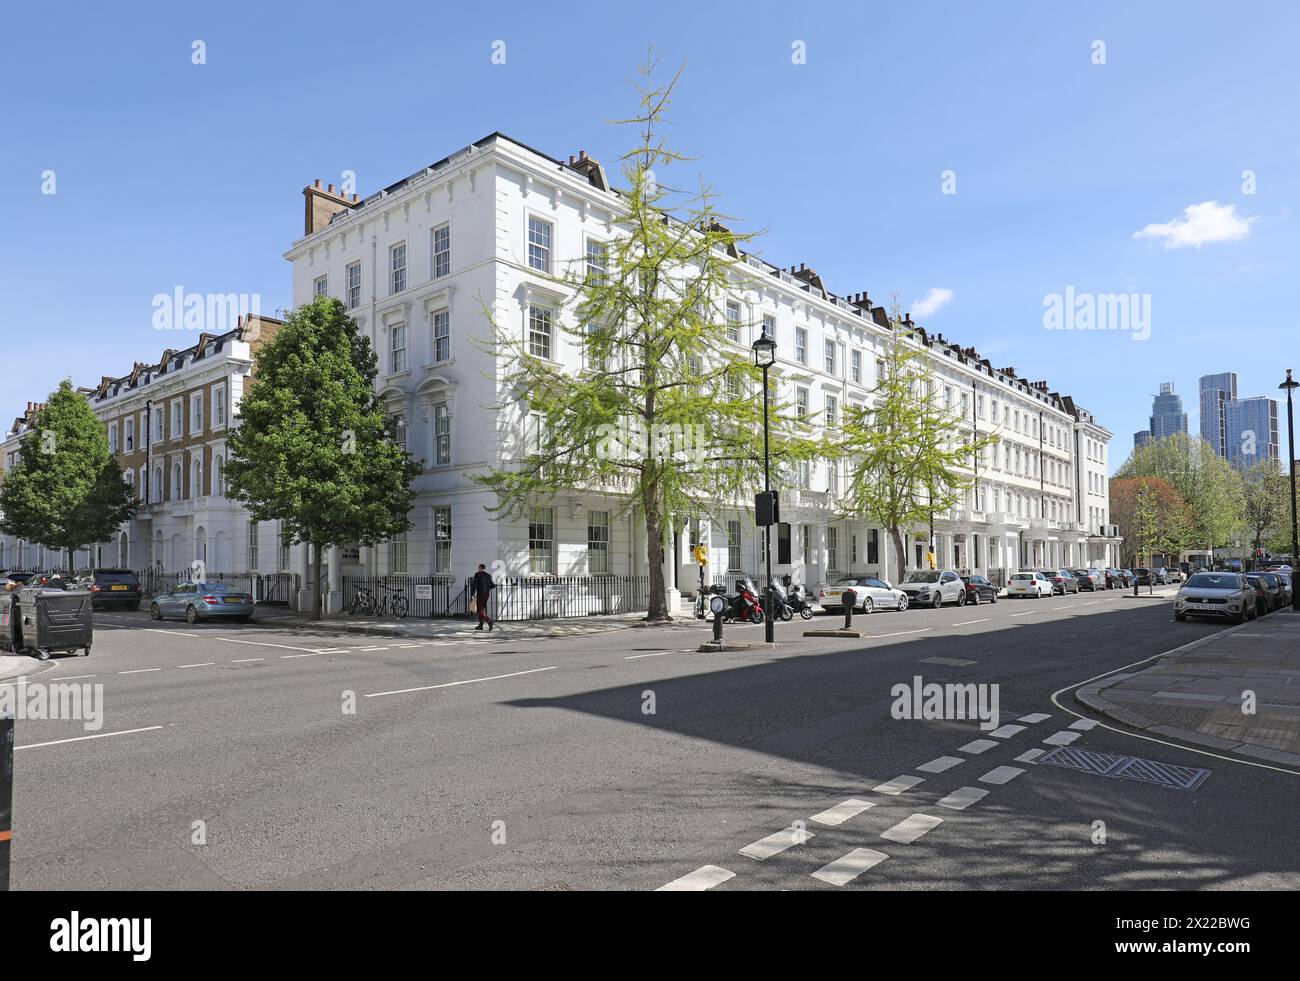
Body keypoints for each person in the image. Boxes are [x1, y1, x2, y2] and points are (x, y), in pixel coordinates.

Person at [471, 563, 495, 632]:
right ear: (484, 568)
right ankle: (480, 625)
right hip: (487, 594)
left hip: (480, 594)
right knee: (482, 609)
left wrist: (472, 594)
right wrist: (487, 588)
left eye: (478, 568)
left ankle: (490, 621)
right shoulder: (489, 575)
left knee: (479, 610)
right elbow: (493, 585)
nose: (478, 569)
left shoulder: (477, 574)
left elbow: (474, 584)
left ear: (480, 568)